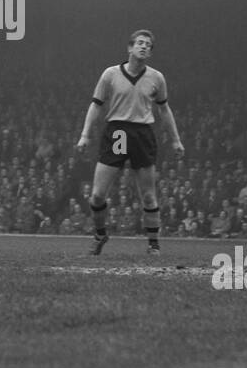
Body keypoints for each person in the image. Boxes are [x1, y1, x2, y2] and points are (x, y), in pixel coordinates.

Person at [77, 30, 185, 256]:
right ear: (130, 48)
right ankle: (100, 234)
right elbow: (96, 104)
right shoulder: (110, 74)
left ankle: (153, 244)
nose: (144, 47)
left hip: (142, 133)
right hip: (117, 132)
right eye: (140, 43)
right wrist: (85, 135)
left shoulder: (157, 78)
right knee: (97, 194)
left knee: (148, 194)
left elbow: (164, 109)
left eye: (148, 45)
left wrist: (175, 140)